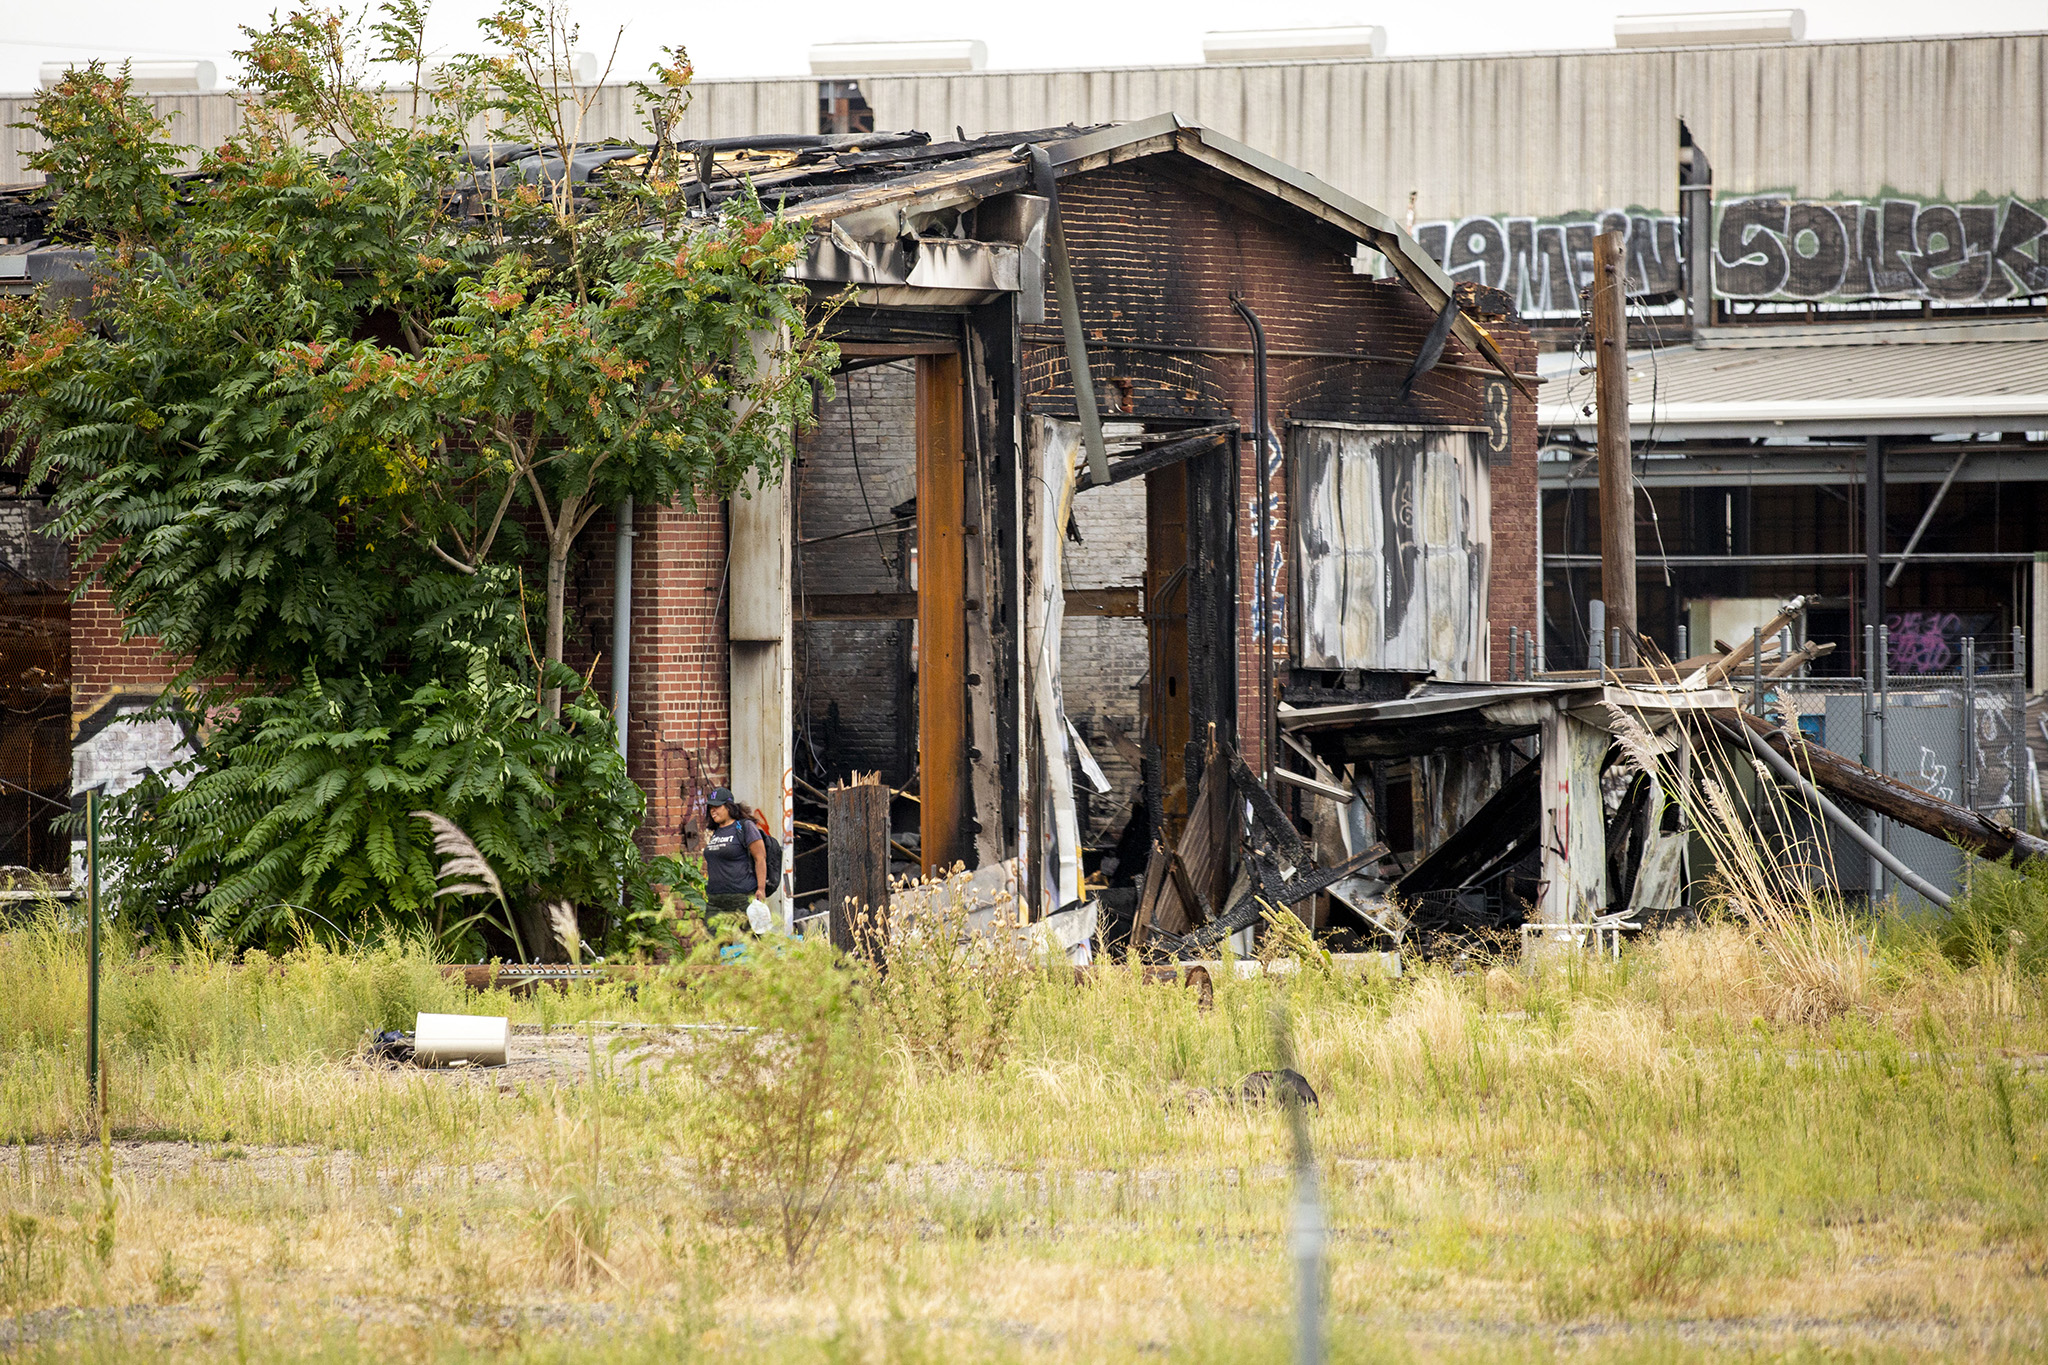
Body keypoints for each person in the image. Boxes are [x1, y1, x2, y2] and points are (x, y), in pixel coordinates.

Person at [701, 787, 768, 922]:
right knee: (712, 941)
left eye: (717, 806)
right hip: (716, 899)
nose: (713, 810)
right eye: (710, 807)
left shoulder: (744, 827)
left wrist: (761, 888)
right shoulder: (716, 832)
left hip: (741, 897)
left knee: (752, 940)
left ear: (728, 807)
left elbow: (760, 858)